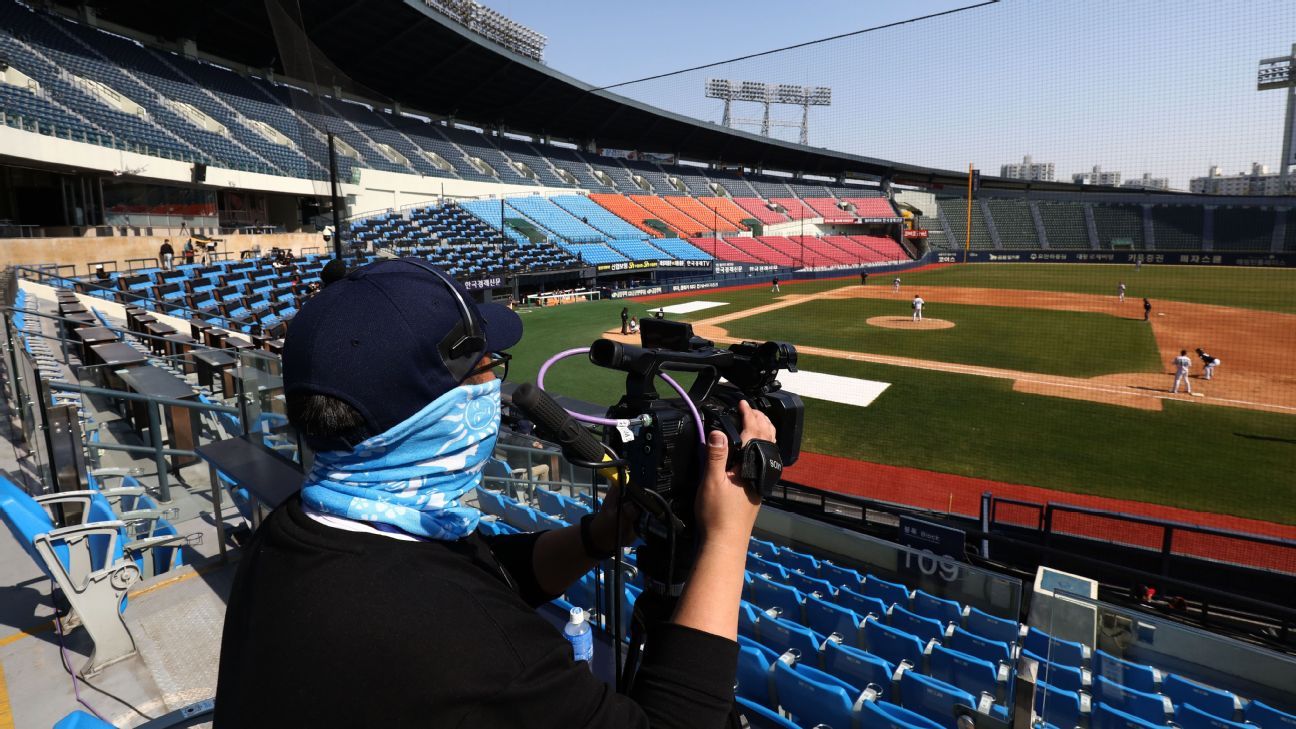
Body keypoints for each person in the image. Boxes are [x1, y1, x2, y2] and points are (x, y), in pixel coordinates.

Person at [214, 258, 773, 728]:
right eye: (486, 370)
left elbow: (479, 573)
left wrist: (598, 536)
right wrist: (727, 536)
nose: (495, 388)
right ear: (433, 414)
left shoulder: (295, 532)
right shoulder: (472, 653)